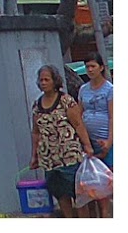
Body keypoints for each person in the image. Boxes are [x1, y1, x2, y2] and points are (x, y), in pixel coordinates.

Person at [29, 63, 93, 218]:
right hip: (50, 159)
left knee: (78, 195)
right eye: (41, 80)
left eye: (47, 79)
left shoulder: (66, 101)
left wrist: (87, 146)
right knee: (61, 195)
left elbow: (78, 124)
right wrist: (34, 156)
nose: (43, 83)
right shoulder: (37, 106)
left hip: (69, 156)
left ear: (54, 81)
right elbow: (36, 132)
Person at [78, 56, 113, 217]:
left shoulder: (109, 89)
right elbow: (79, 114)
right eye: (87, 67)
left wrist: (109, 141)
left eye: (93, 66)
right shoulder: (83, 90)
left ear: (101, 67)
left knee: (109, 179)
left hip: (106, 139)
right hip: (89, 142)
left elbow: (114, 116)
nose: (90, 70)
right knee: (94, 181)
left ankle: (108, 215)